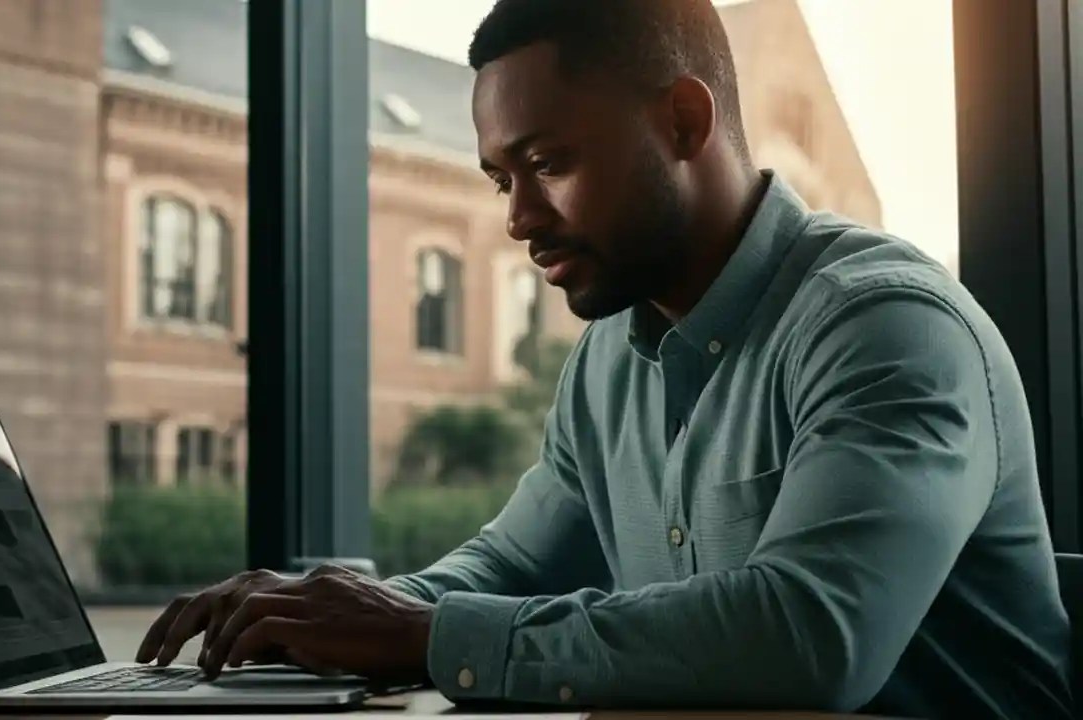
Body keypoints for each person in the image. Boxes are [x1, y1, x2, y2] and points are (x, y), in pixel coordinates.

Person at [135, 0, 1074, 715]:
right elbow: (508, 566)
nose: (518, 220)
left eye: (548, 164)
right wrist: (325, 617)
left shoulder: (883, 327)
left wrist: (419, 632)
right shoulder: (608, 361)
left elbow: (812, 636)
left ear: (685, 122)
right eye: (502, 180)